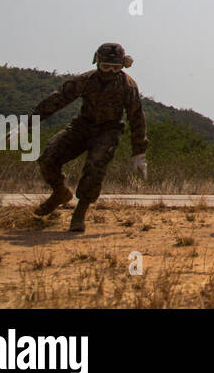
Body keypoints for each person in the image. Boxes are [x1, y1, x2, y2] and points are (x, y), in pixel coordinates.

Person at [32, 42, 147, 233]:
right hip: (82, 126)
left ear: (123, 66)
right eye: (105, 67)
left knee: (95, 166)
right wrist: (30, 122)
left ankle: (79, 213)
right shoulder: (85, 80)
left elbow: (136, 118)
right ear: (97, 63)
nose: (110, 72)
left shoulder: (128, 86)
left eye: (115, 68)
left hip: (108, 131)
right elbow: (58, 99)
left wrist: (139, 152)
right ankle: (60, 193)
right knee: (48, 157)